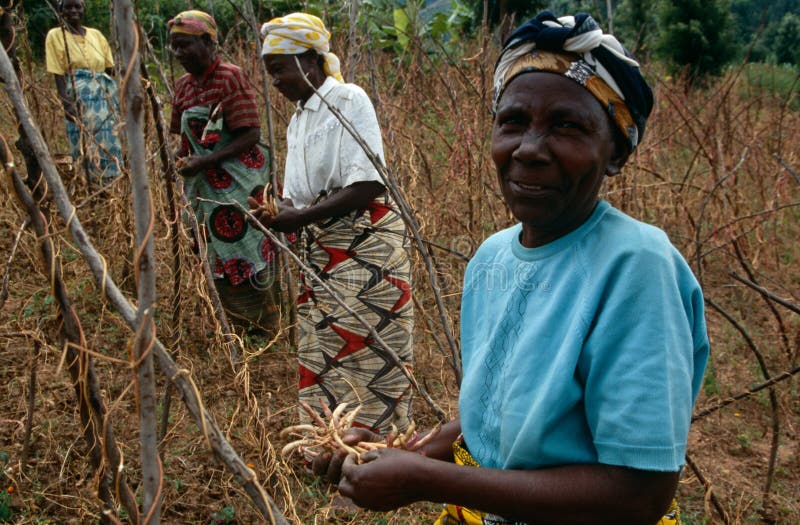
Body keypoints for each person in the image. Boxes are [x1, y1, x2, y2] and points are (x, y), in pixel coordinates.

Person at [315, 11, 710, 525]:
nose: (528, 149)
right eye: (513, 122)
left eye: (567, 126)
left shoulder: (638, 268)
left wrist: (424, 480)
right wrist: (399, 453)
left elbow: (639, 495)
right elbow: (501, 419)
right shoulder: (491, 258)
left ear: (615, 153)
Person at [252, 13, 414, 434]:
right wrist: (275, 212)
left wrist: (300, 217)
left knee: (368, 345)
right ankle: (332, 444)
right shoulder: (298, 120)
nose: (275, 81)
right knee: (329, 345)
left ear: (309, 61)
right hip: (324, 249)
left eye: (279, 70)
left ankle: (378, 448)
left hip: (367, 245)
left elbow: (368, 184)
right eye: (270, 73)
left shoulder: (348, 100)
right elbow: (297, 196)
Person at [167, 10, 279, 332]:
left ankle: (265, 325)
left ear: (207, 41)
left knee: (246, 244)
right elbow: (185, 140)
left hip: (239, 181)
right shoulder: (182, 87)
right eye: (174, 47)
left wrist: (207, 161)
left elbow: (251, 134)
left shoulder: (230, 77)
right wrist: (179, 162)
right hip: (203, 186)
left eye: (185, 45)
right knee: (212, 250)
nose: (178, 54)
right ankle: (234, 325)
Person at [45, 0, 123, 182]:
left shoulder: (96, 35)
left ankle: (112, 184)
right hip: (78, 97)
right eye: (68, 7)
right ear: (60, 10)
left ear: (83, 9)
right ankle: (90, 185)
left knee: (109, 138)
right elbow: (58, 73)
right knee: (84, 142)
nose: (73, 11)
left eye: (77, 7)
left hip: (104, 96)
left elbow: (109, 68)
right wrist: (67, 104)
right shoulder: (55, 36)